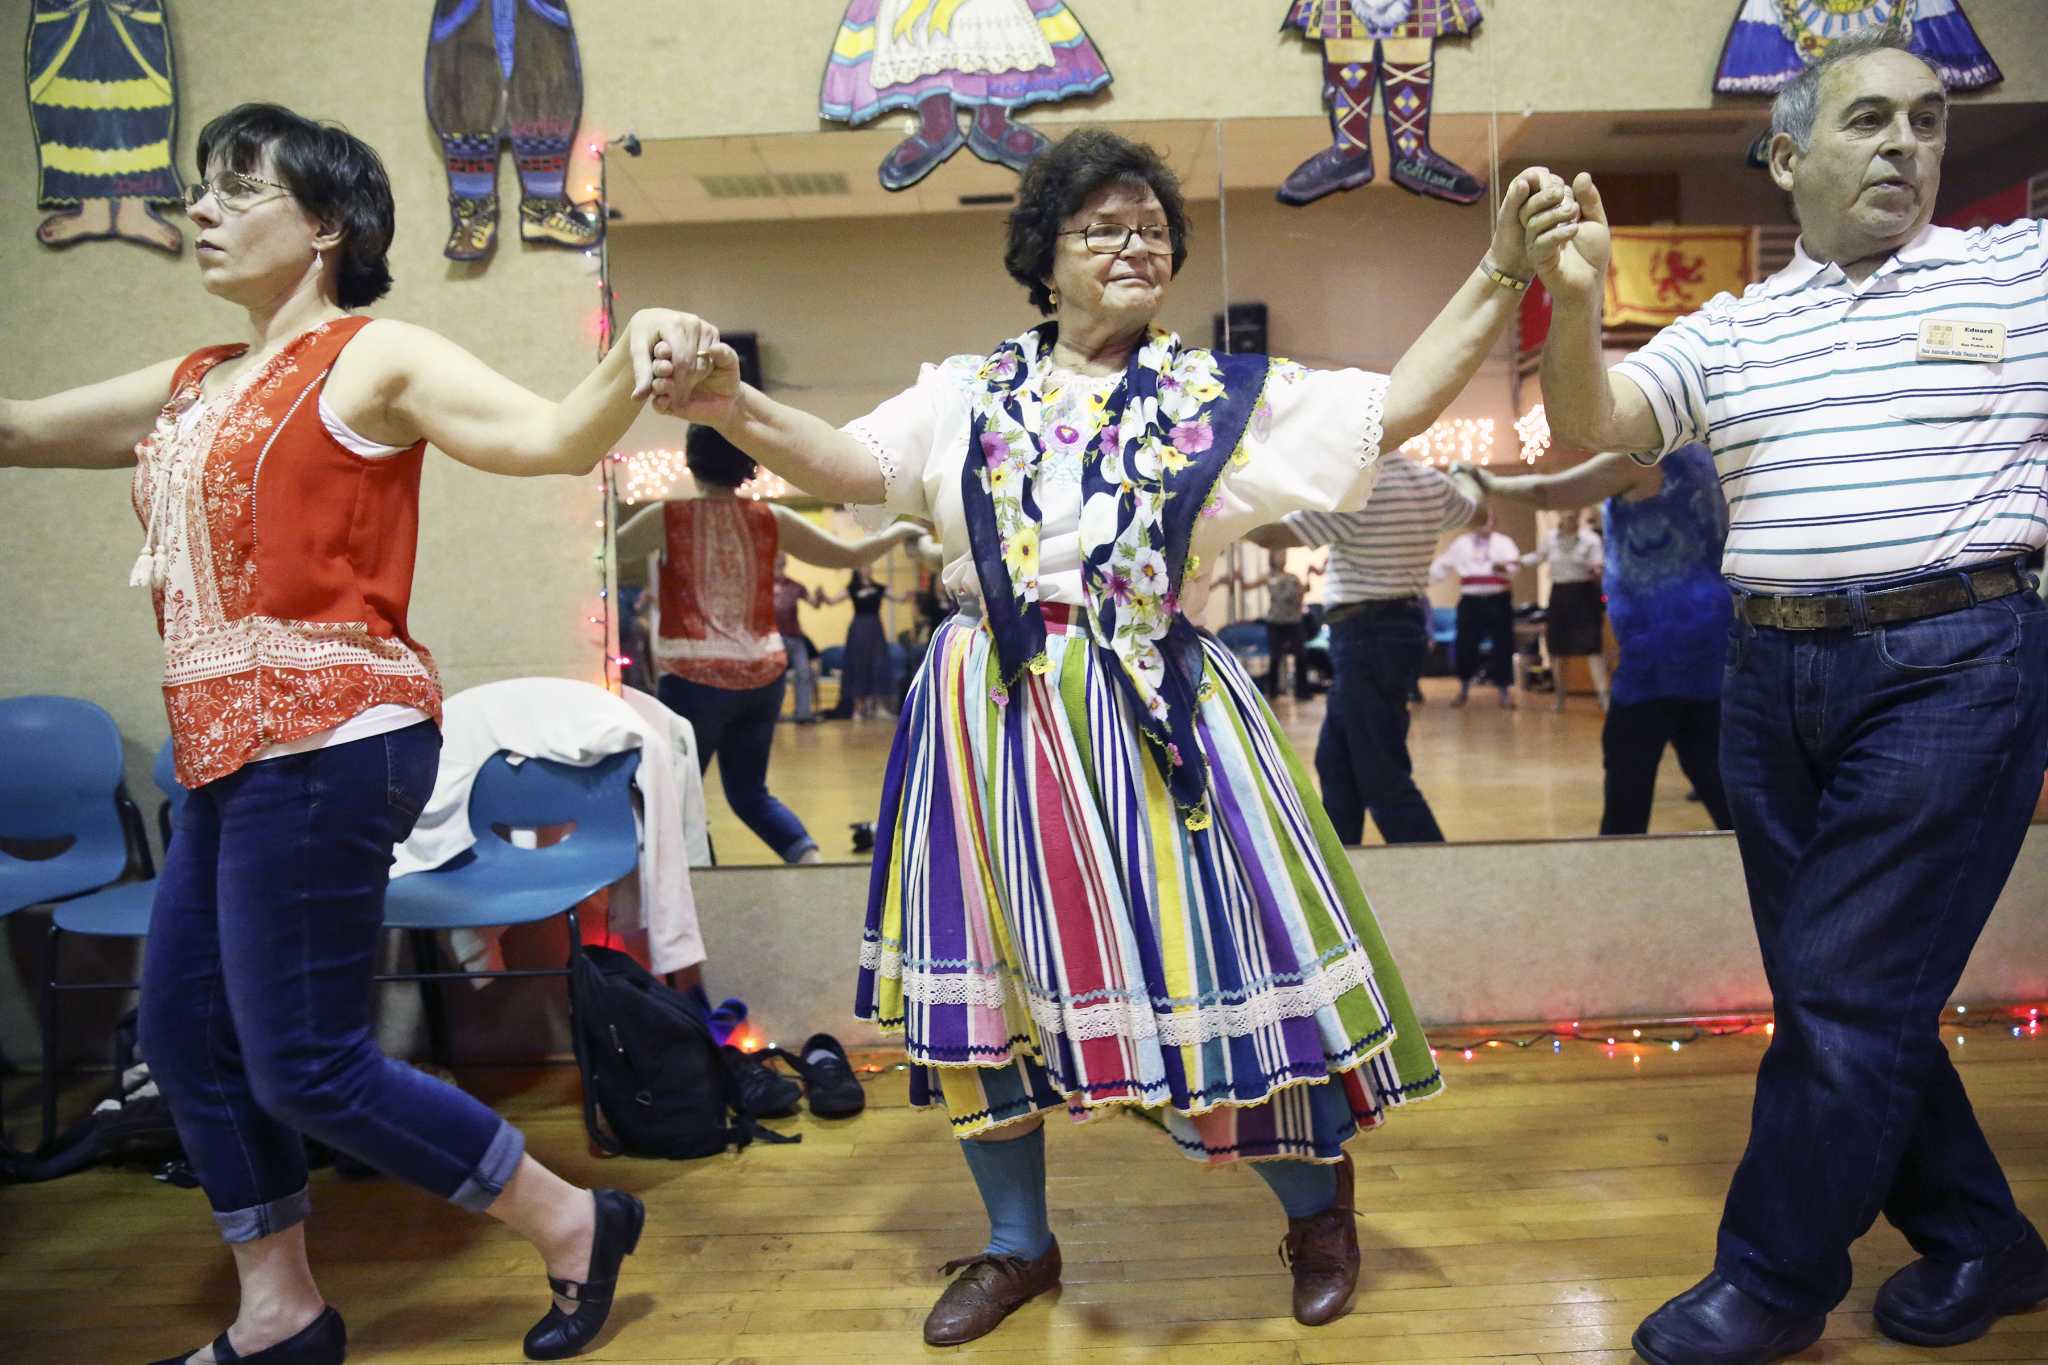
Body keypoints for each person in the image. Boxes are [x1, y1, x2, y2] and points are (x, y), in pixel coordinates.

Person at [643, 127, 1577, 1344]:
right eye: (1103, 226)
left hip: (1153, 719)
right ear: (1044, 255)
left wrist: (1500, 270)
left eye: (1152, 228)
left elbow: (1390, 406)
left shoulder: (1217, 399)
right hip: (984, 717)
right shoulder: (964, 394)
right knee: (988, 991)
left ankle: (1312, 1205)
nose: (1136, 243)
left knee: (1208, 968)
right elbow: (849, 461)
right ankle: (1018, 1246)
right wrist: (735, 404)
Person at [0, 103, 696, 1364]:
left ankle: (575, 1221)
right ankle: (280, 1308)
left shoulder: (375, 359)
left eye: (238, 188)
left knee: (307, 1064)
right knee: (182, 1039)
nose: (200, 210)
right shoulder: (191, 385)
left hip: (333, 737)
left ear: (323, 225)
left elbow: (545, 439)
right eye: (200, 191)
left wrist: (634, 343)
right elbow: (14, 426)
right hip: (222, 750)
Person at [1529, 30, 2048, 1364]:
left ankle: (1773, 1275)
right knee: (1847, 992)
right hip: (1769, 679)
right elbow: (1598, 420)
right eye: (1871, 118)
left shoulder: (2021, 272)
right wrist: (1576, 297)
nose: (1908, 145)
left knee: (1844, 988)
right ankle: (1986, 1241)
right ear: (1786, 156)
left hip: (1954, 667)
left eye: (1929, 122)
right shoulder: (1737, 326)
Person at [617, 425, 917, 861]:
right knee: (750, 794)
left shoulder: (666, 517)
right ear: (747, 463)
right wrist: (903, 530)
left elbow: (606, 549)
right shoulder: (771, 520)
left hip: (692, 682)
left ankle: (694, 885)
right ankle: (809, 859)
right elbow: (850, 556)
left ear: (691, 461)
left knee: (676, 794)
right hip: (762, 679)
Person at [1466, 449, 1734, 836]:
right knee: (1707, 762)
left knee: (1630, 771)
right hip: (1708, 634)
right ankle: (1770, 877)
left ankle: (1616, 872)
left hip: (1662, 642)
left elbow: (1547, 492)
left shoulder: (1642, 456)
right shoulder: (1705, 456)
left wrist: (1490, 483)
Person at [1249, 453, 1483, 843]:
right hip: (1394, 627)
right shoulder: (1429, 482)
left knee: (1381, 772)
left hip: (1365, 635)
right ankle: (1344, 871)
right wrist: (1465, 475)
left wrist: (1210, 501)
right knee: (1335, 762)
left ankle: (1436, 867)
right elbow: (1475, 511)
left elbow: (1271, 535)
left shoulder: (1355, 488)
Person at [1520, 506, 1609, 711]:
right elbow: (1538, 557)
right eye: (1567, 513)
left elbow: (1599, 565)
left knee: (1593, 648)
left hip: (1585, 595)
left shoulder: (1591, 540)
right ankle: (1560, 698)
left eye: (1575, 514)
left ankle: (1604, 699)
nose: (1571, 517)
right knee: (1558, 650)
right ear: (1559, 515)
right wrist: (1515, 562)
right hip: (1560, 596)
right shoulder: (1550, 538)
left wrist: (1597, 570)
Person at [1429, 512, 1520, 707]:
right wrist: (1420, 580)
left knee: (1503, 645)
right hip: (1471, 599)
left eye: (1489, 521)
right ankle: (1463, 688)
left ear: (1495, 522)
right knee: (1465, 645)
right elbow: (1442, 566)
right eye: (1481, 521)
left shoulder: (1504, 543)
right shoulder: (1461, 544)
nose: (1485, 525)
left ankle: (1504, 691)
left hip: (1498, 598)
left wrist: (1502, 568)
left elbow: (1514, 569)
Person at [819, 567, 902, 719]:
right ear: (858, 570)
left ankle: (880, 708)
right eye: (864, 566)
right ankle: (858, 708)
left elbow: (898, 598)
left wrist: (907, 596)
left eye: (869, 566)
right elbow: (832, 601)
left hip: (875, 630)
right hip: (858, 630)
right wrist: (822, 595)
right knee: (859, 665)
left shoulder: (879, 588)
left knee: (878, 664)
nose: (868, 569)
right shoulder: (852, 588)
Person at [1236, 546, 1318, 700]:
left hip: (1294, 621)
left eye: (1283, 553)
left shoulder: (1293, 577)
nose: (1282, 556)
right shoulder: (1268, 576)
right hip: (1275, 622)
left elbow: (1304, 591)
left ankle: (1302, 692)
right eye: (1279, 553)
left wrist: (1309, 575)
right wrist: (1239, 577)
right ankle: (1272, 692)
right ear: (1272, 557)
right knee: (1275, 657)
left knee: (1300, 655)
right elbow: (1247, 586)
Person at [772, 554, 823, 722]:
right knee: (774, 677)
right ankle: (773, 714)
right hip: (773, 639)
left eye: (781, 562)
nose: (779, 564)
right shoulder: (763, 586)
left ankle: (803, 714)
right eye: (776, 561)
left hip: (795, 637)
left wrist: (819, 596)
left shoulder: (795, 586)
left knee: (803, 673)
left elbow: (814, 604)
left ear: (785, 564)